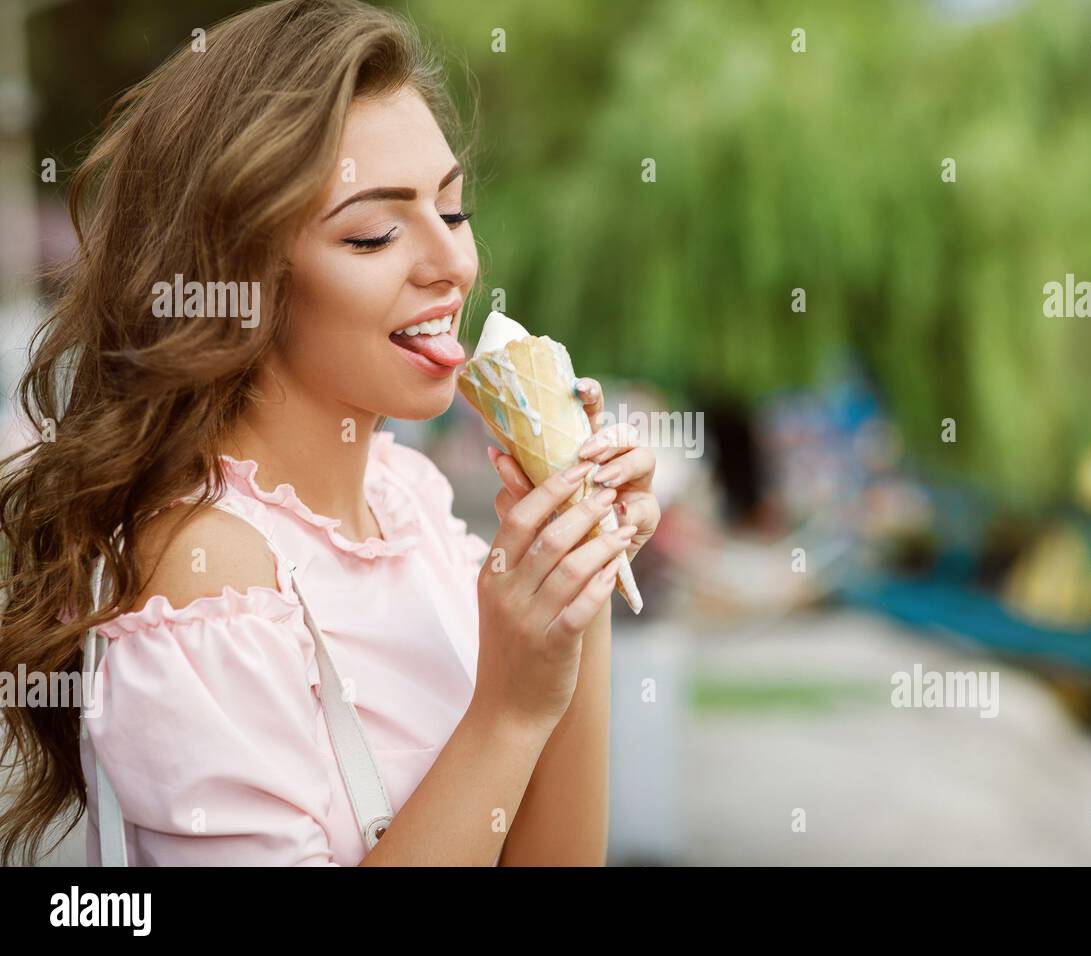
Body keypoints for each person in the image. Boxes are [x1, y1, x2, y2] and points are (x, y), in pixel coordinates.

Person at [0, 0, 659, 866]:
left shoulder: (408, 506)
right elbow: (508, 719)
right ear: (239, 275)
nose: (452, 263)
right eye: (375, 231)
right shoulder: (207, 577)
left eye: (452, 212)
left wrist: (576, 582)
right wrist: (507, 708)